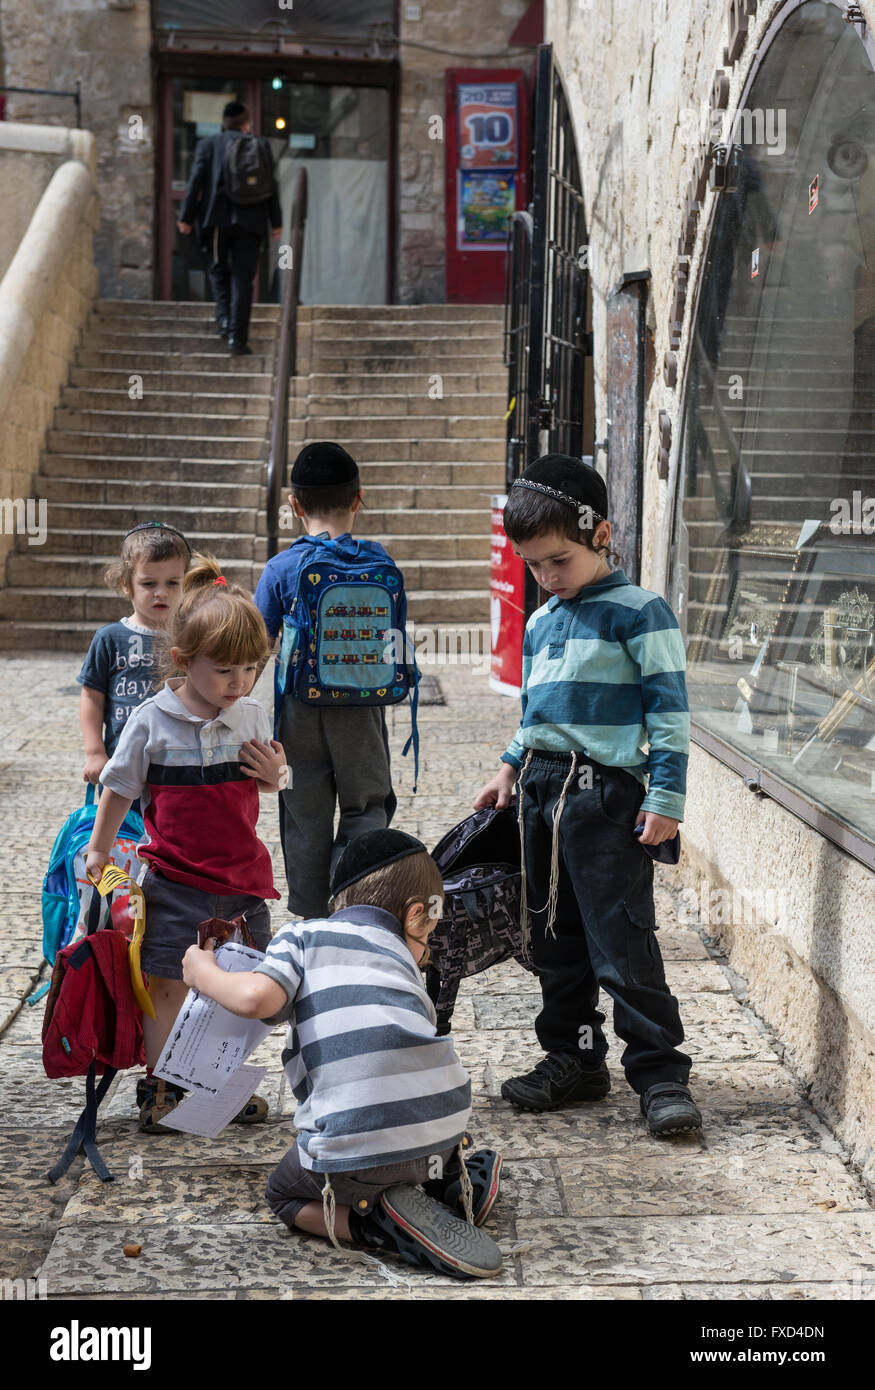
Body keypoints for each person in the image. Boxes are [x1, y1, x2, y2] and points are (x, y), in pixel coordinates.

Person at [474, 454, 702, 1137]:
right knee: (554, 941)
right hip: (542, 795)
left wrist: (665, 797)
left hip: (606, 799)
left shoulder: (641, 613)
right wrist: (509, 766)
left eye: (557, 561)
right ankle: (574, 1058)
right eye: (533, 565)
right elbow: (538, 714)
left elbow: (668, 715)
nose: (545, 577)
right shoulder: (543, 623)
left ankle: (660, 1073)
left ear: (599, 536)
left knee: (620, 940)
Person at [182, 828, 504, 1280]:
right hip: (443, 1128)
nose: (425, 953)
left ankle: (375, 1224)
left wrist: (202, 972)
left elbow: (257, 999)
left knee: (284, 1196)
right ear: (414, 916)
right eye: (427, 937)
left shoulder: (304, 935)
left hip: (359, 1146)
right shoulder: (402, 962)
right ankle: (450, 1182)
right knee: (410, 1125)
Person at [85, 554, 288, 1132]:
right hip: (174, 880)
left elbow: (275, 777)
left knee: (240, 982)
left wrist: (276, 776)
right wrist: (99, 850)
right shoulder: (152, 721)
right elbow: (119, 786)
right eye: (225, 670)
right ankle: (162, 1087)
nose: (239, 682)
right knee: (168, 984)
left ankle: (216, 1083)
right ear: (183, 661)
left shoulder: (249, 714)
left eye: (251, 669)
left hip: (243, 879)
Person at [254, 441, 398, 919]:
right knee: (366, 806)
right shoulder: (380, 562)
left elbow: (256, 644)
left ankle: (312, 915)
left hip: (299, 710)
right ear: (359, 498)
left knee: (304, 815)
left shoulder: (280, 568)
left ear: (294, 505)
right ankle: (355, 901)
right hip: (362, 703)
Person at [78, 521, 191, 790]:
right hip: (122, 763)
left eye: (173, 583)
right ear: (126, 584)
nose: (161, 592)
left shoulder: (192, 635)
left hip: (179, 764)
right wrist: (95, 752)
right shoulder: (110, 638)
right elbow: (92, 696)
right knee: (123, 831)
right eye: (149, 583)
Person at [177, 100, 282, 356]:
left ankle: (223, 319)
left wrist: (186, 217)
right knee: (243, 279)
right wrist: (275, 221)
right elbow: (271, 186)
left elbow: (196, 182)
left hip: (217, 220)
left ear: (223, 124)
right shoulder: (262, 146)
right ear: (246, 123)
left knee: (218, 269)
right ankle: (238, 339)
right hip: (252, 222)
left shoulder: (209, 145)